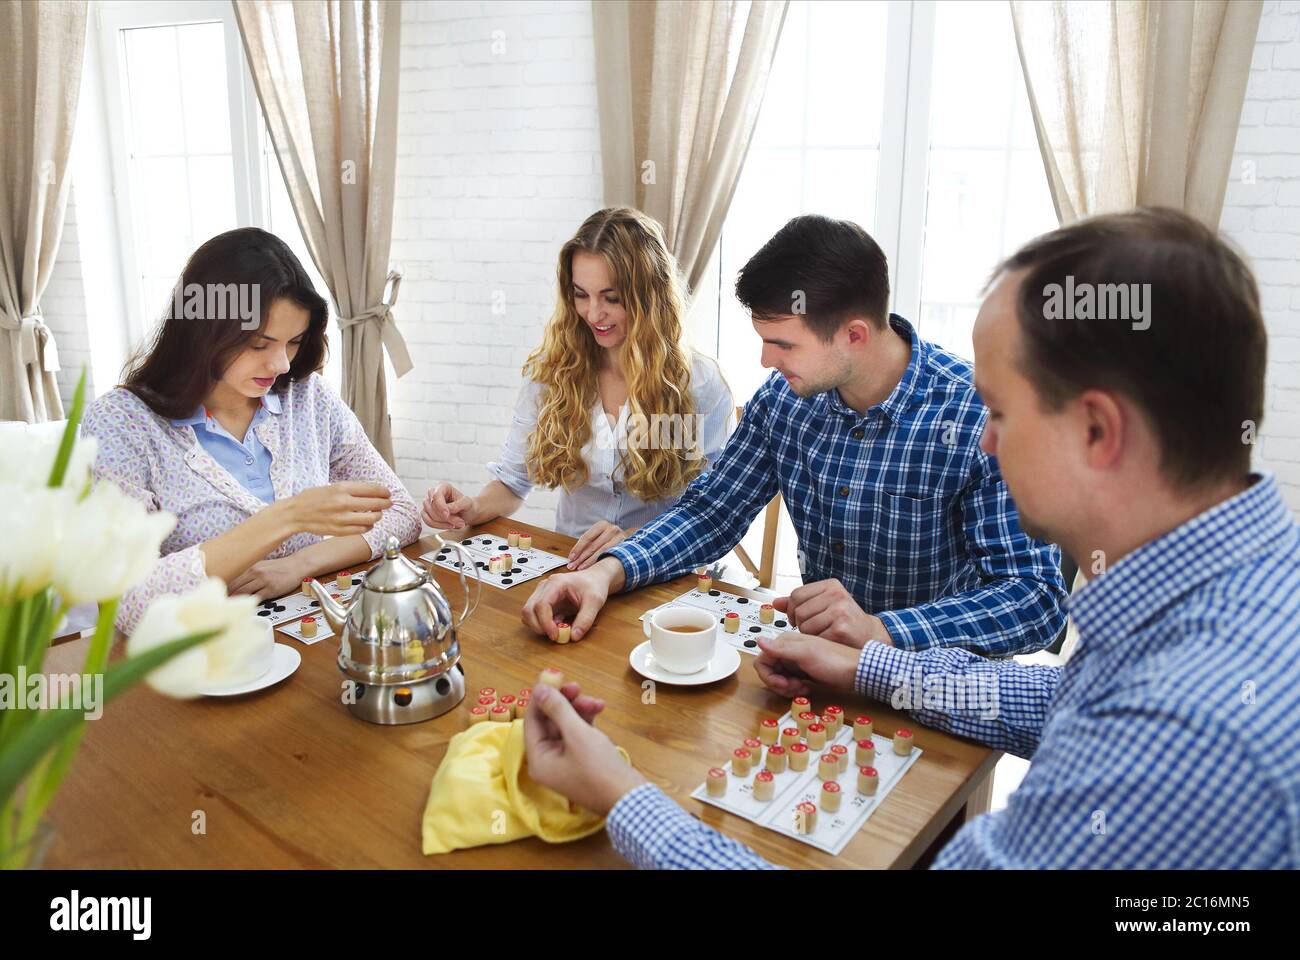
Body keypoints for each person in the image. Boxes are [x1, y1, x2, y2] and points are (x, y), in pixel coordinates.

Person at [522, 207, 1300, 869]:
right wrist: (871, 668)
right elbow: (1066, 693)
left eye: (1000, 411)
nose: (986, 441)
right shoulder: (1219, 594)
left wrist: (623, 797)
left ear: (1098, 430)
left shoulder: (1187, 737)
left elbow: (1039, 613)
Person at [521, 215, 1066, 654]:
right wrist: (607, 574)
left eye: (783, 344)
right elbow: (711, 513)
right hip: (815, 668)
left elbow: (1034, 600)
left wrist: (883, 632)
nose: (764, 360)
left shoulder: (977, 415)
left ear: (853, 335)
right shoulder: (785, 402)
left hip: (936, 687)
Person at [82, 228, 421, 632]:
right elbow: (123, 601)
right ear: (203, 331)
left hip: (307, 641)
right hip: (195, 662)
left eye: (294, 341)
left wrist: (298, 566)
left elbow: (400, 513)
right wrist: (285, 517)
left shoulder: (306, 398)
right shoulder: (123, 423)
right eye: (259, 345)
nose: (281, 364)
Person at [420, 207, 733, 571]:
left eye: (612, 298)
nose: (593, 313)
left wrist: (636, 536)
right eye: (581, 294)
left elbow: (711, 510)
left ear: (650, 297)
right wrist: (470, 508)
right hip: (572, 563)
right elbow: (512, 481)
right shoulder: (552, 373)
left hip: (662, 567)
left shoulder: (699, 384)